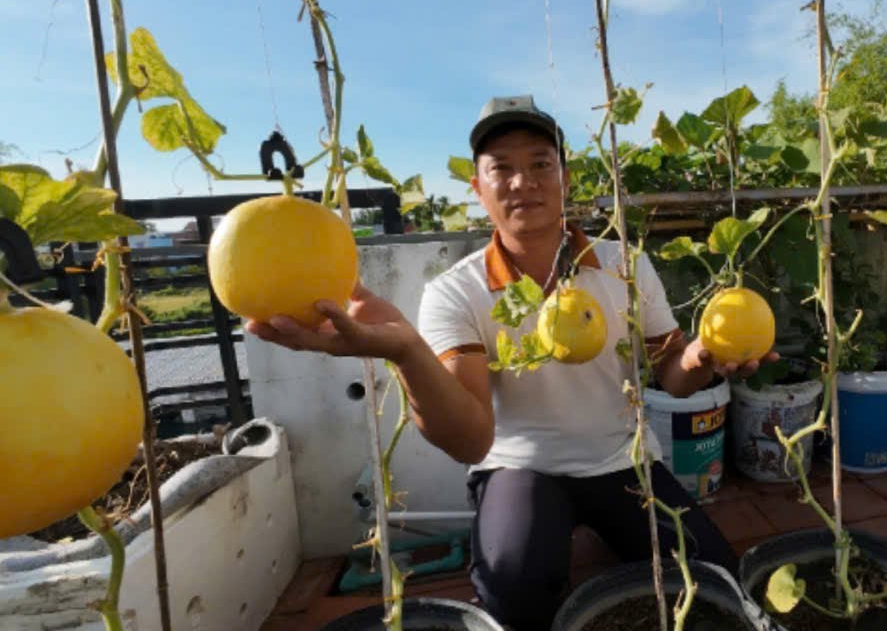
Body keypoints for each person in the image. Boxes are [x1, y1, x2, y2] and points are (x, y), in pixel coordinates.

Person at [246, 95, 777, 631]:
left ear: (564, 178)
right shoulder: (457, 292)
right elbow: (470, 441)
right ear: (477, 189)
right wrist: (406, 351)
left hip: (622, 462)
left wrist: (702, 354)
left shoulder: (625, 266)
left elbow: (673, 378)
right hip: (521, 468)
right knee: (513, 584)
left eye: (541, 164)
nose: (523, 182)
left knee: (716, 581)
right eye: (501, 168)